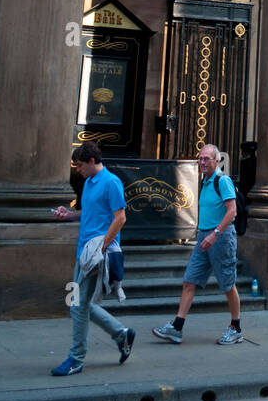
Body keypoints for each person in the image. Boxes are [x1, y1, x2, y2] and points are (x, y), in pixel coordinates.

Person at [50, 142, 135, 374]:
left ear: (91, 161)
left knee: (77, 306)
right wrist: (68, 215)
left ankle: (76, 359)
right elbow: (88, 214)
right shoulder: (88, 183)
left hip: (96, 255)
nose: (77, 170)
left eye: (79, 165)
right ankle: (122, 334)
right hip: (83, 253)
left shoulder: (111, 182)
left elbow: (121, 218)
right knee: (79, 303)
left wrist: (103, 247)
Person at [152, 144, 242, 346]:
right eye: (200, 158)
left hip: (221, 237)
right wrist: (206, 235)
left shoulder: (222, 181)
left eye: (206, 159)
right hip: (204, 237)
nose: (202, 162)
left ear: (216, 161)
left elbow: (232, 211)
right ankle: (177, 327)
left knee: (227, 284)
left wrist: (215, 234)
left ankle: (236, 328)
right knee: (189, 281)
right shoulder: (206, 182)